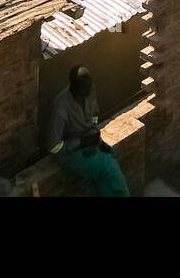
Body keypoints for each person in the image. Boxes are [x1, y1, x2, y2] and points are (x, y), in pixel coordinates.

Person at [44, 66, 129, 196]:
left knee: (109, 155)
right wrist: (81, 143)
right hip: (69, 154)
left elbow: (94, 114)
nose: (90, 89)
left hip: (88, 141)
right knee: (106, 164)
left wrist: (94, 132)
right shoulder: (61, 108)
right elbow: (54, 147)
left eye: (90, 85)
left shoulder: (89, 91)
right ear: (74, 87)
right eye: (85, 87)